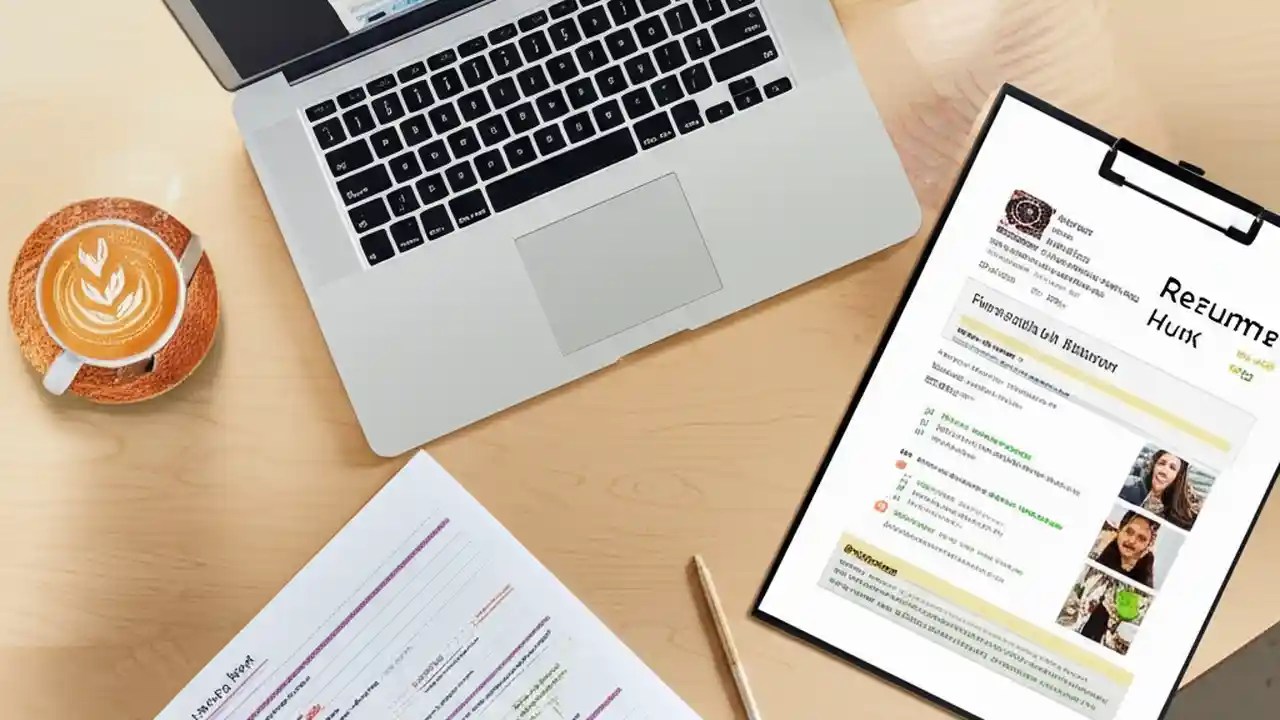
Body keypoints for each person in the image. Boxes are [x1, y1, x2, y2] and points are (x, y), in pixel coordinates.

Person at [1119, 449, 1201, 530]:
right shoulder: (1127, 489)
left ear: (1178, 478)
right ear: (1153, 466)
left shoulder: (1185, 519)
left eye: (1172, 468)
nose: (1164, 471)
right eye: (1161, 463)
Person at [1094, 512, 1158, 587]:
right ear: (1119, 530)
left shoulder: (1146, 567)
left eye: (1141, 538)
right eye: (1129, 532)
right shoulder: (1098, 543)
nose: (1132, 541)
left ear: (1148, 545)